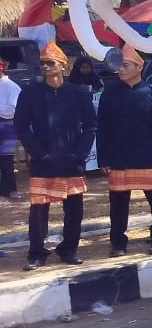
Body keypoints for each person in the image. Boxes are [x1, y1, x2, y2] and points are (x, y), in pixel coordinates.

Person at [14, 42, 96, 269]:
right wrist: (38, 153)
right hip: (44, 161)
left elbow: (90, 125)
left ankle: (69, 249)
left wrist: (80, 153)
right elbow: (20, 126)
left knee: (74, 208)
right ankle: (37, 252)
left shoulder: (78, 93)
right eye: (42, 64)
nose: (45, 67)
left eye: (50, 63)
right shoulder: (30, 94)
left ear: (63, 66)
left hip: (72, 160)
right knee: (39, 208)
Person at [97, 44, 152, 256]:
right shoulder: (109, 95)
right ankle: (118, 243)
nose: (120, 69)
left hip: (149, 157)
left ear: (139, 67)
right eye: (119, 66)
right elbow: (102, 129)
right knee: (118, 205)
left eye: (125, 65)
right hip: (119, 157)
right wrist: (104, 158)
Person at [0, 59, 19, 198]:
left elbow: (13, 110)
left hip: (7, 125)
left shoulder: (12, 87)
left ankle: (11, 189)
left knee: (6, 159)